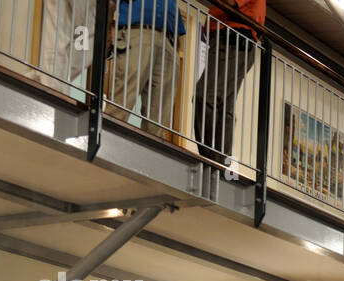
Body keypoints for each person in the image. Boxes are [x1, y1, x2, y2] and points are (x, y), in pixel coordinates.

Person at [196, 0, 264, 166]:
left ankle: (214, 159)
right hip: (228, 38)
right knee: (221, 102)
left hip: (233, 38)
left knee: (207, 97)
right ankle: (217, 159)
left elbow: (230, 3)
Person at [105, 0, 187, 133]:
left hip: (168, 41)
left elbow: (177, 25)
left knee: (159, 118)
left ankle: (150, 152)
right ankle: (105, 143)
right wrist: (107, 33)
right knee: (122, 102)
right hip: (138, 31)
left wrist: (175, 51)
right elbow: (109, 3)